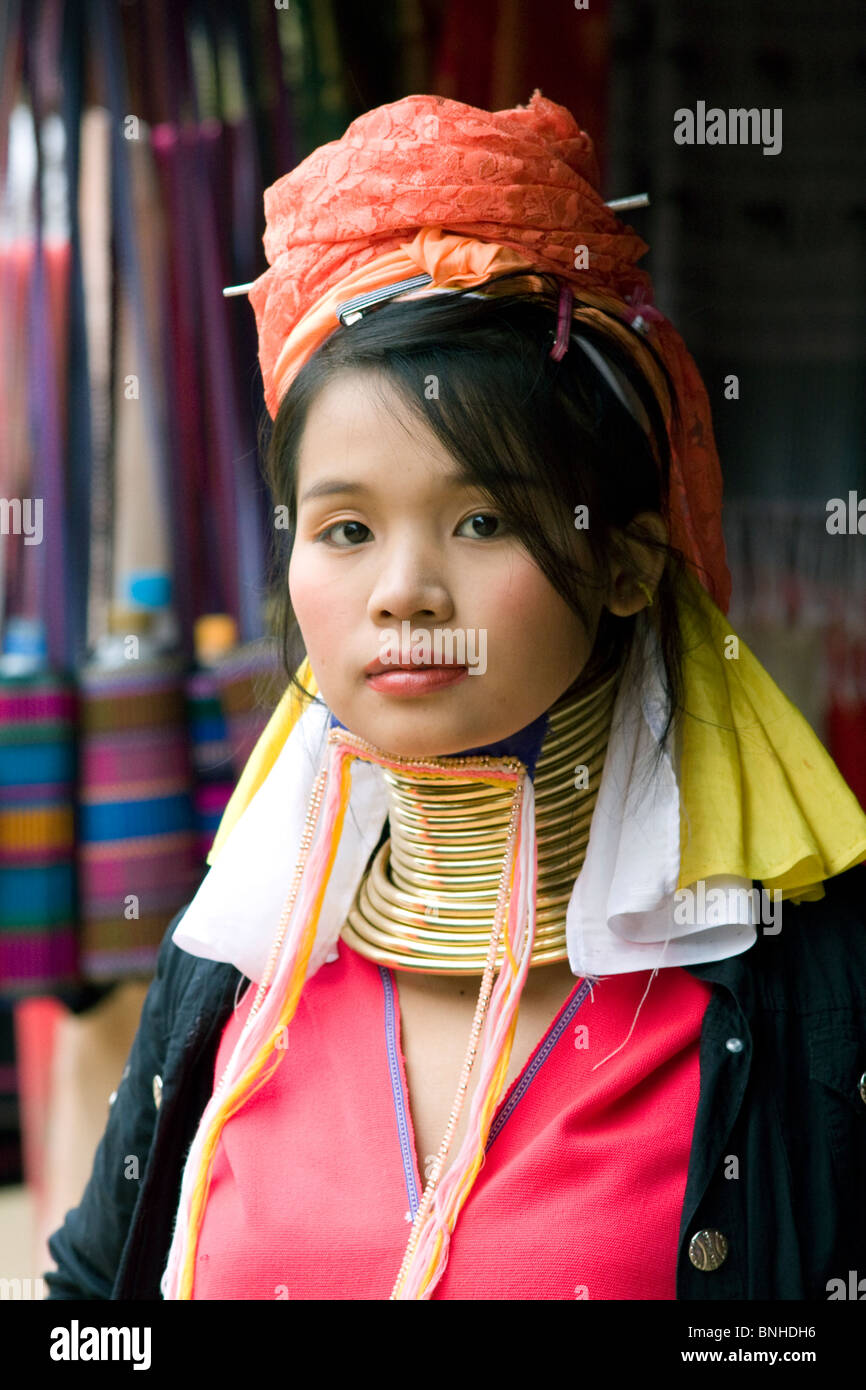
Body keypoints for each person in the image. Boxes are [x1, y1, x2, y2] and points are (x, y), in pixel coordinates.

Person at [46, 91, 866, 1302]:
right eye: (345, 527)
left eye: (480, 518)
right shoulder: (235, 962)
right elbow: (89, 1307)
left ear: (626, 558)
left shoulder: (801, 989)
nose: (403, 591)